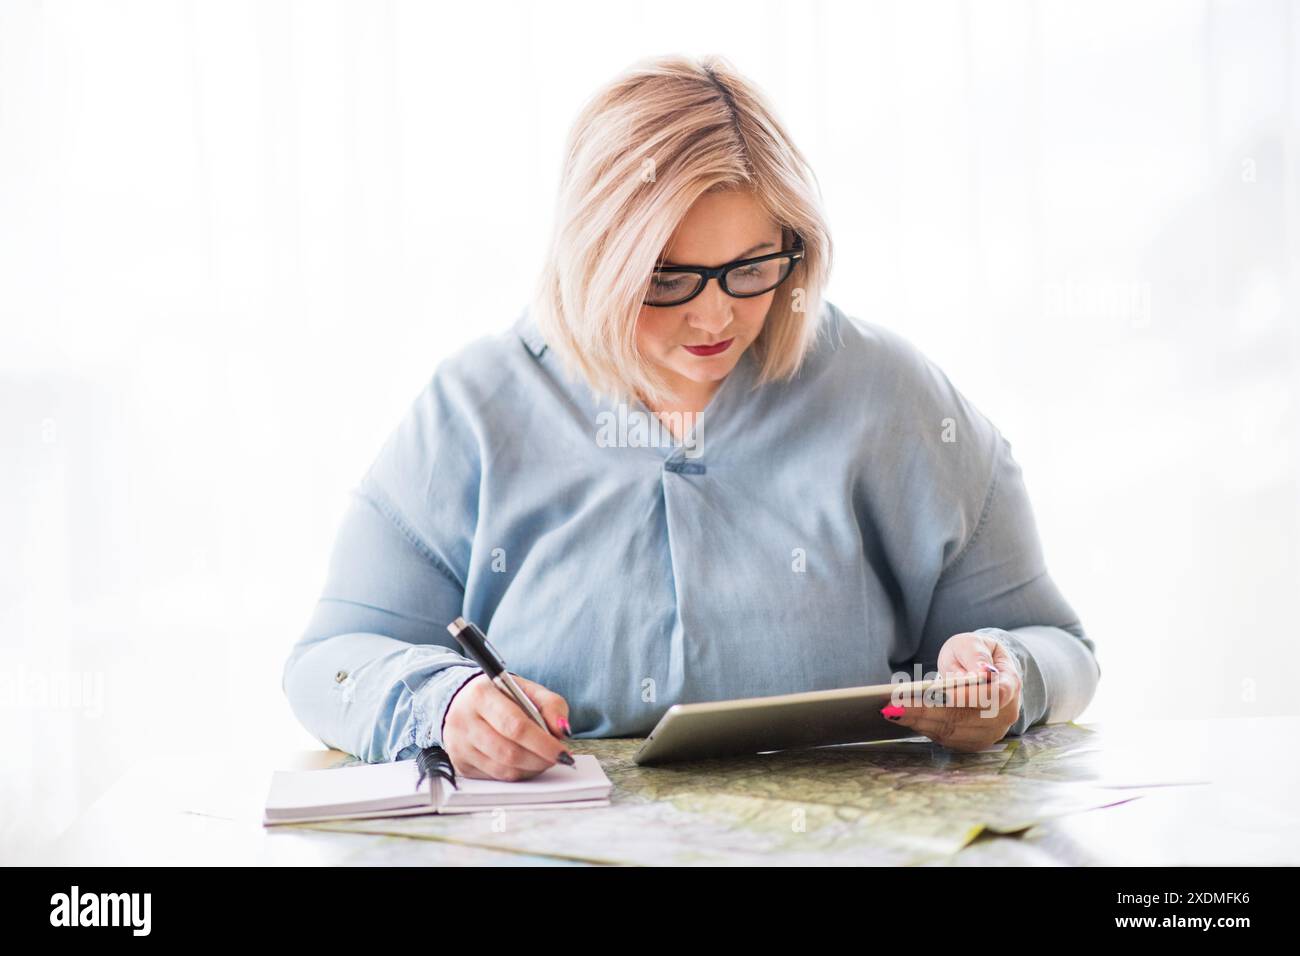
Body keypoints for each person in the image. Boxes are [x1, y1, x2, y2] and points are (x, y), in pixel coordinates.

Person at [282, 54, 1100, 781]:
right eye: (667, 278)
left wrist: (1008, 676)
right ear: (592, 260)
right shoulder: (472, 410)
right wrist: (445, 704)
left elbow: (1060, 650)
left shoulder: (892, 396)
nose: (715, 319)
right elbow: (328, 664)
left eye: (751, 268)